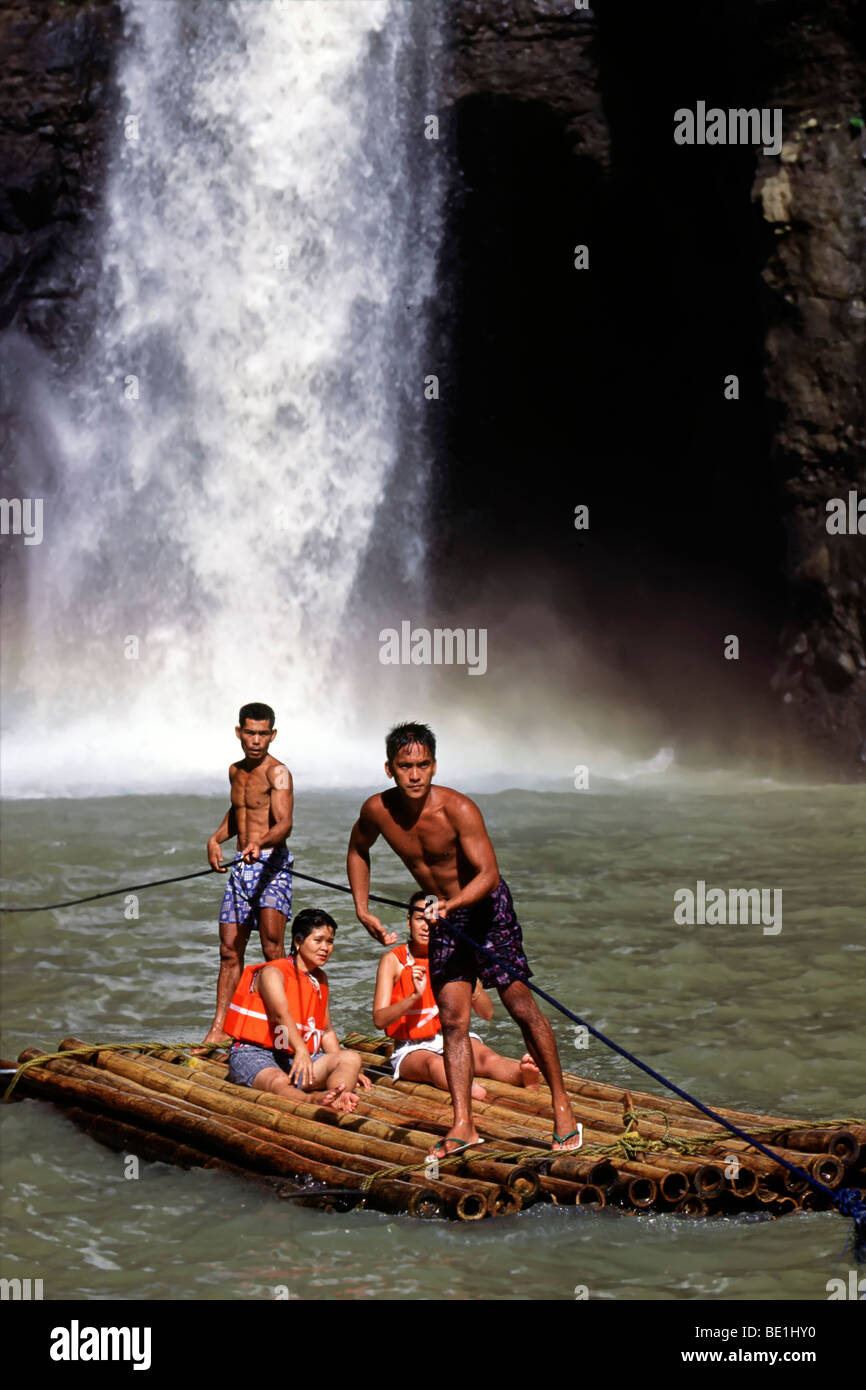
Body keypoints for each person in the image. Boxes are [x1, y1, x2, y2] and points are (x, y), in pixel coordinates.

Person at [347, 721, 583, 1158]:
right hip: (443, 915)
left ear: (434, 766)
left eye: (422, 765)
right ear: (389, 769)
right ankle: (464, 1125)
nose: (414, 775)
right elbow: (358, 849)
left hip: (486, 910)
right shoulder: (378, 810)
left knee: (520, 1007)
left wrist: (451, 907)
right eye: (405, 767)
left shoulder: (459, 809)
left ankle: (562, 1106)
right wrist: (363, 910)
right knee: (454, 1020)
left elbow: (489, 874)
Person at [373, 890, 541, 1099]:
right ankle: (466, 1087)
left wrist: (470, 981)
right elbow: (379, 1020)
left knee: (487, 1058)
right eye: (419, 919)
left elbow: (487, 1014)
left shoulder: (453, 958)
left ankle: (522, 1073)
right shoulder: (393, 961)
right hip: (412, 1048)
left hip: (452, 1038)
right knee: (433, 1064)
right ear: (409, 922)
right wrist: (414, 997)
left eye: (431, 919)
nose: (426, 926)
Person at [199, 702, 294, 1048]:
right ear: (239, 732)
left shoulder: (279, 772)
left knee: (272, 949)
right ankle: (220, 1029)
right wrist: (215, 838)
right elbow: (240, 808)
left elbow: (284, 823)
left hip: (272, 865)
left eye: (263, 733)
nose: (256, 740)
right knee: (229, 950)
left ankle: (285, 1032)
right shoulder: (235, 771)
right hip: (242, 866)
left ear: (273, 734)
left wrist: (259, 842)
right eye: (250, 732)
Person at [224, 907, 370, 1113]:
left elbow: (326, 1030)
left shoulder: (320, 979)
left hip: (294, 1058)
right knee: (278, 1079)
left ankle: (341, 1095)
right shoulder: (272, 972)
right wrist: (302, 1050)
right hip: (254, 1054)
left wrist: (347, 1070)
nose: (325, 948)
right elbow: (280, 1014)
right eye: (318, 940)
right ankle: (311, 1101)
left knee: (351, 1058)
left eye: (330, 941)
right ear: (298, 941)